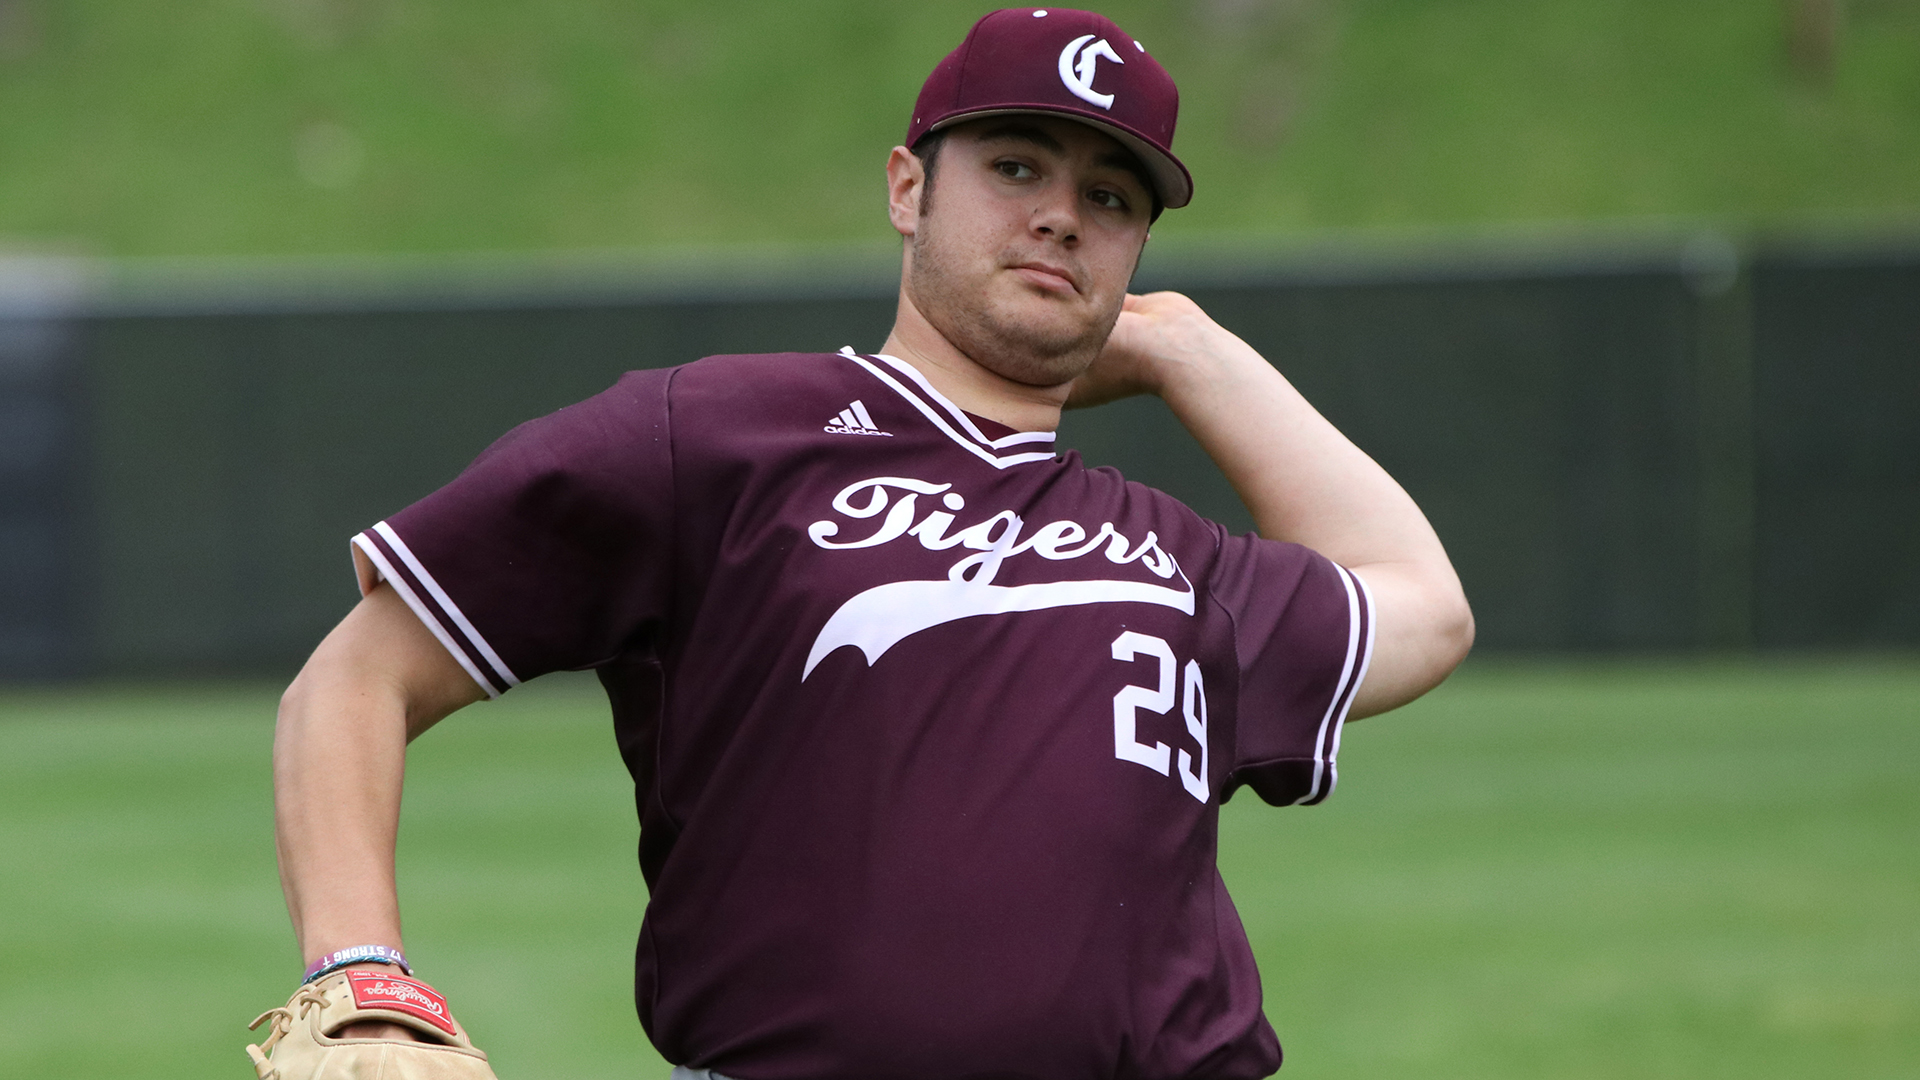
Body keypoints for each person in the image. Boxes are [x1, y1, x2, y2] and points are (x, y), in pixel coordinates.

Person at [257, 8, 1473, 1079]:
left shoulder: (1174, 554)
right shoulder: (717, 437)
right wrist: (364, 982)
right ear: (907, 189)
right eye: (1015, 166)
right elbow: (356, 679)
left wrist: (1185, 347)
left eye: (1111, 200)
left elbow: (1423, 607)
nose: (1061, 217)